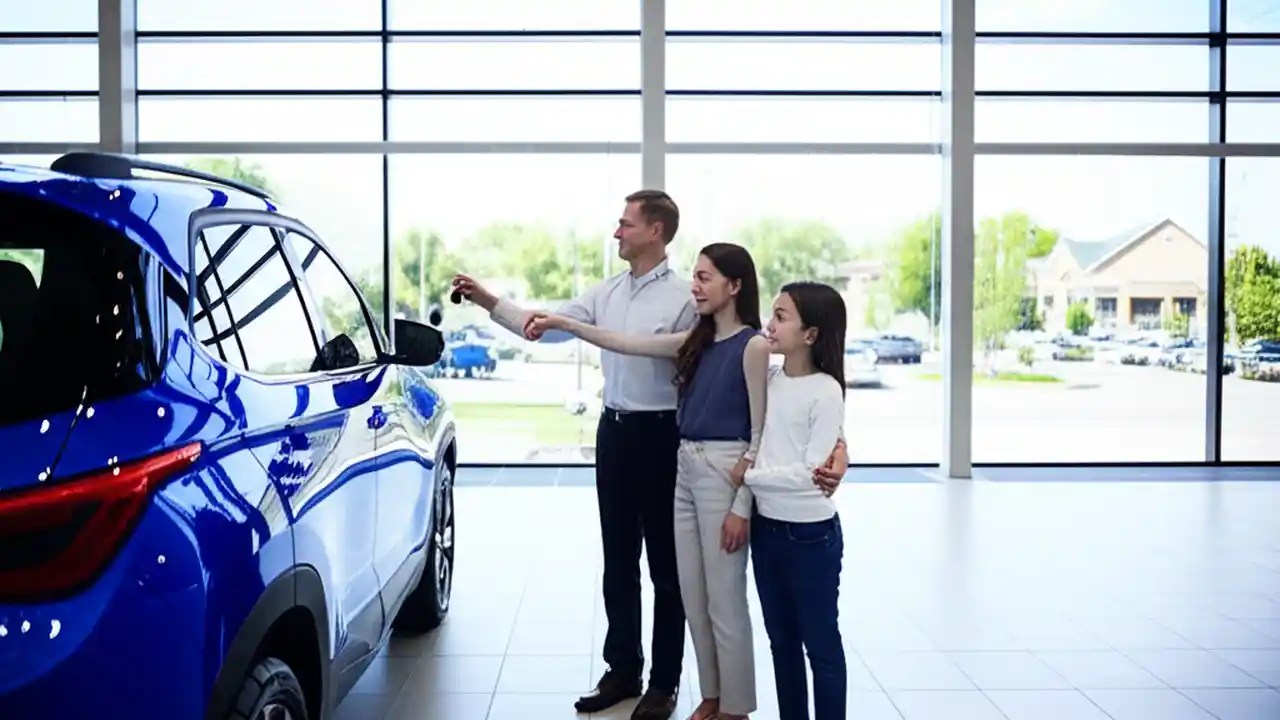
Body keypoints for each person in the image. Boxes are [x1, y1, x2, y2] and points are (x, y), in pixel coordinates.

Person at [529, 247, 848, 720]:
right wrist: (567, 325)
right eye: (695, 276)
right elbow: (625, 342)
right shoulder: (695, 340)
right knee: (692, 597)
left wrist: (744, 501)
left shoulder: (755, 347)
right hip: (685, 466)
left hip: (726, 471)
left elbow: (761, 432)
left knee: (724, 600)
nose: (694, 286)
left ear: (734, 286)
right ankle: (713, 695)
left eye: (704, 277)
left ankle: (735, 707)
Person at [450, 190, 695, 719]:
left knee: (667, 569)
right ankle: (623, 670)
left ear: (656, 231)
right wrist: (489, 300)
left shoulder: (683, 298)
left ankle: (665, 683)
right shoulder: (605, 292)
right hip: (615, 434)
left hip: (661, 438)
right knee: (618, 560)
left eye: (626, 224)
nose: (617, 232)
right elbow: (545, 327)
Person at [736, 282, 849, 720]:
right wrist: (759, 482)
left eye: (782, 317)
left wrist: (750, 477)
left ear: (811, 334)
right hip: (768, 533)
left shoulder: (826, 390)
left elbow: (808, 478)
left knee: (820, 646)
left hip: (810, 537)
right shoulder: (769, 380)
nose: (770, 323)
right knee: (782, 645)